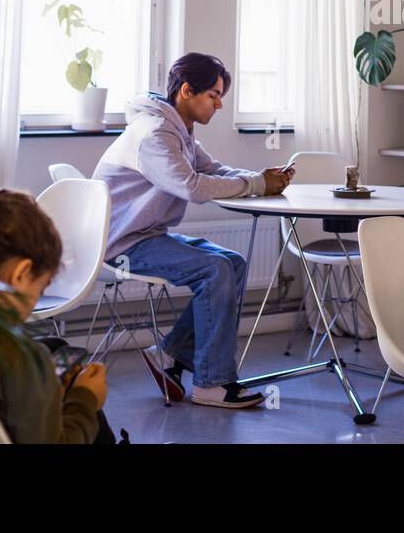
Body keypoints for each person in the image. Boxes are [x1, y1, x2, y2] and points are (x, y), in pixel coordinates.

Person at [93, 52, 294, 408]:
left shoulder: (178, 129)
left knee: (232, 263)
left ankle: (168, 355)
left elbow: (212, 169)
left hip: (145, 235)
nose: (219, 105)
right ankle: (211, 384)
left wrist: (262, 179)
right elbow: (193, 187)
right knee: (214, 270)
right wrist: (256, 185)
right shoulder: (154, 133)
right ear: (187, 91)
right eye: (213, 95)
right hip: (120, 244)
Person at [0, 168, 113, 443]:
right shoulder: (18, 356)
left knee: (53, 346)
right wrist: (85, 399)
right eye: (42, 287)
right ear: (21, 274)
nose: (37, 300)